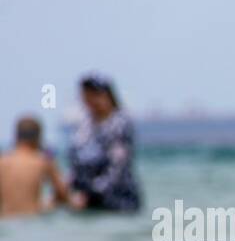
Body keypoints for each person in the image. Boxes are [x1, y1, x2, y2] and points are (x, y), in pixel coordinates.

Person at [66, 73, 142, 212]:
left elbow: (119, 166)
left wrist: (92, 193)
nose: (90, 101)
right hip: (84, 198)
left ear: (107, 96)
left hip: (117, 198)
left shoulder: (120, 123)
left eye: (94, 96)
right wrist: (68, 190)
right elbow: (75, 161)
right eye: (86, 97)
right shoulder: (84, 123)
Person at [0, 117, 70, 217]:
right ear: (38, 138)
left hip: (5, 222)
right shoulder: (43, 161)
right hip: (32, 221)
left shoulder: (2, 162)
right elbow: (63, 195)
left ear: (16, 137)